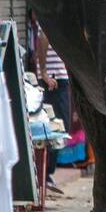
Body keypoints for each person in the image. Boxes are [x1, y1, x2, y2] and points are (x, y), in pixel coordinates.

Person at [34, 21, 70, 196]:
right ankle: (45, 174)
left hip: (61, 78)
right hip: (54, 80)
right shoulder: (50, 14)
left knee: (60, 127)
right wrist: (44, 73)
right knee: (55, 127)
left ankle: (47, 173)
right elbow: (42, 38)